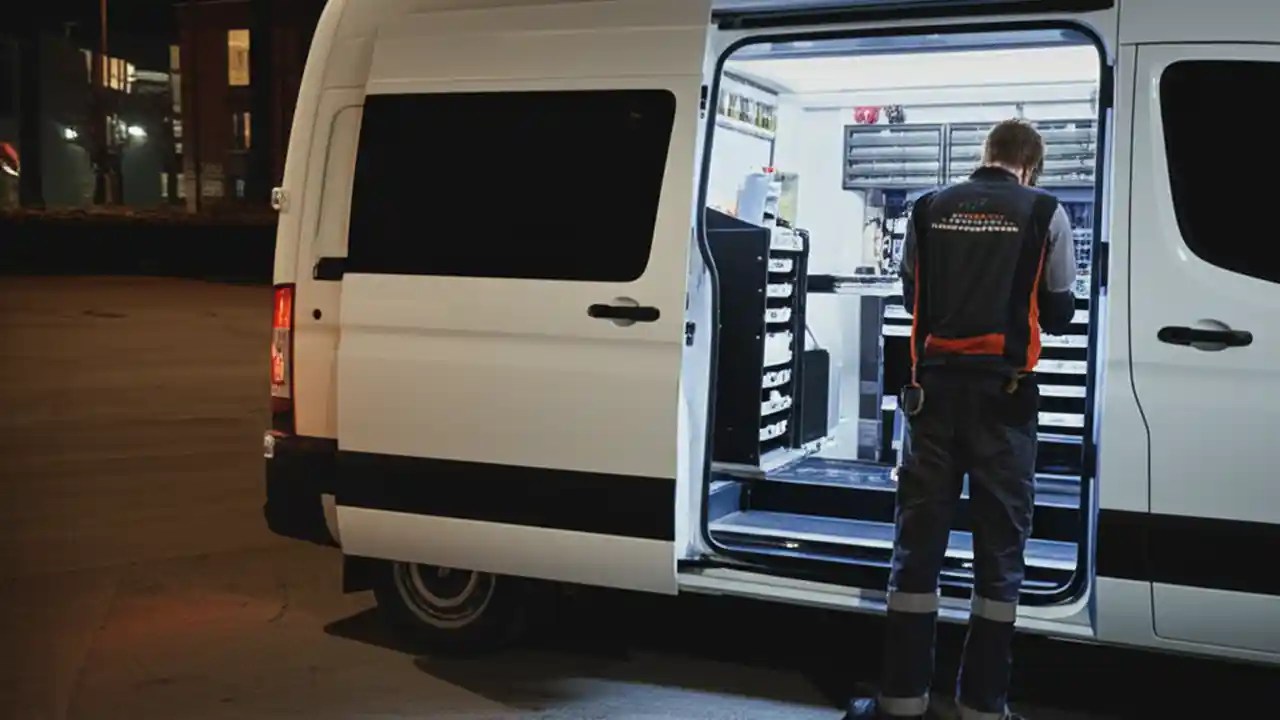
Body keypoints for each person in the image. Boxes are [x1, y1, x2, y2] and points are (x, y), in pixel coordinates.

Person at [845, 119, 1077, 720]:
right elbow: (1058, 313)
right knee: (999, 556)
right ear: (1030, 165)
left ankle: (900, 701)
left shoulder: (927, 209)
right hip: (1006, 403)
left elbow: (908, 294)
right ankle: (982, 707)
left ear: (987, 155)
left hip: (933, 401)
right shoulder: (1046, 213)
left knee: (917, 549)